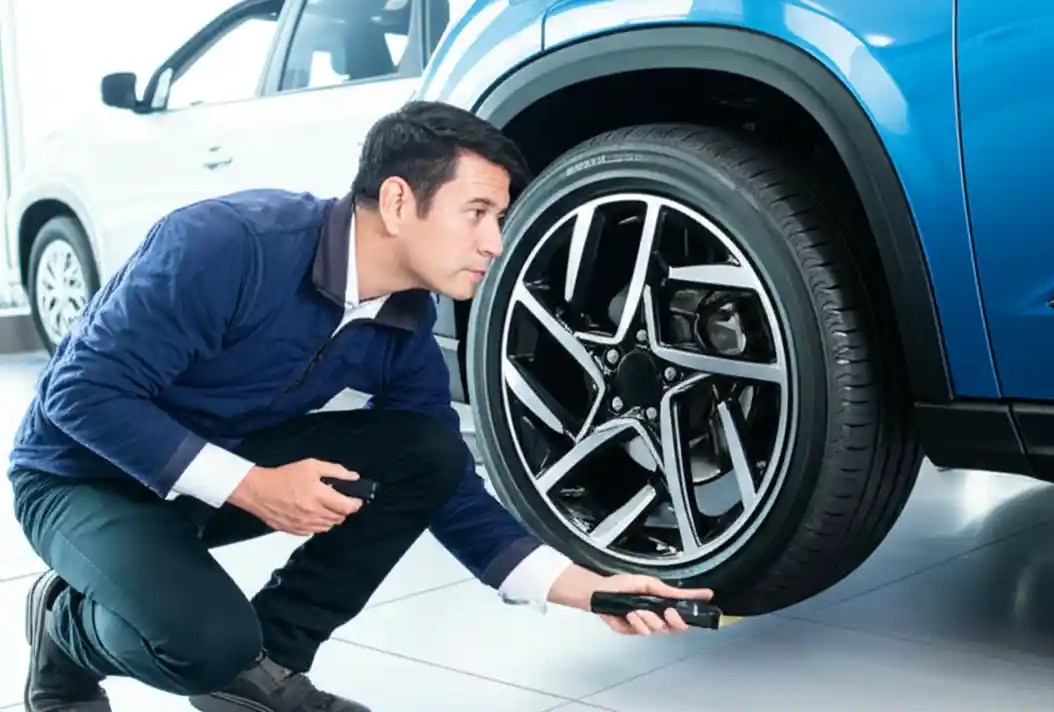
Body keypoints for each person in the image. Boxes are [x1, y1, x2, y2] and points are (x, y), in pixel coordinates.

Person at [7, 100, 714, 712]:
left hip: (206, 473)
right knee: (206, 643)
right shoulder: (229, 244)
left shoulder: (402, 321)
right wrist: (254, 487)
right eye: (477, 213)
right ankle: (64, 626)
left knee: (425, 451)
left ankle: (268, 667)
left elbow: (451, 492)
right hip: (81, 475)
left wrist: (593, 591)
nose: (495, 243)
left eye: (498, 218)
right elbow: (80, 394)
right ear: (402, 201)